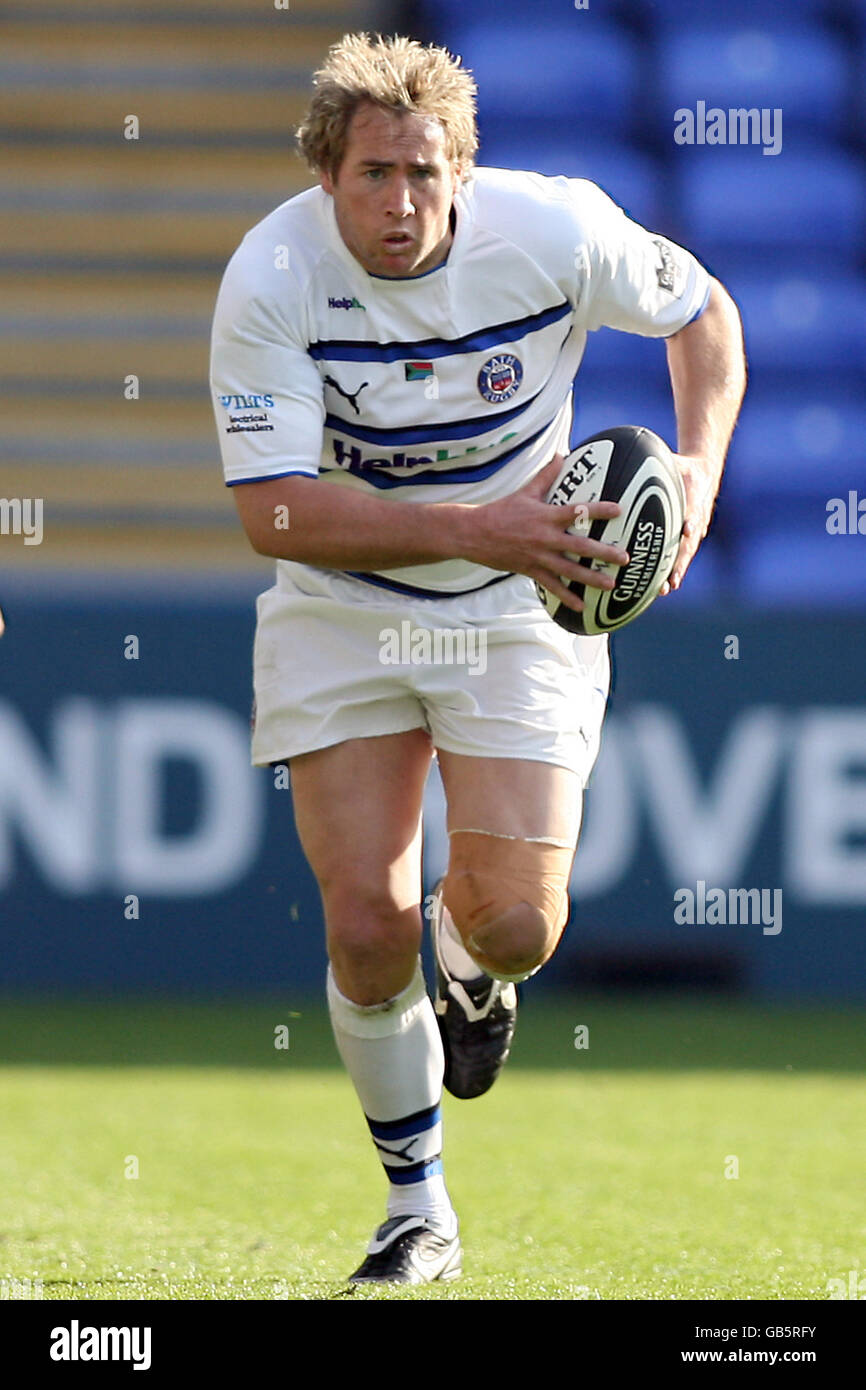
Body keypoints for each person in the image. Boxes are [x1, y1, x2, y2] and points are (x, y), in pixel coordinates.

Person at [209, 31, 746, 1285]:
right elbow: (272, 512)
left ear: (461, 170)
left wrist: (697, 471)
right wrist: (478, 527)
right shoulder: (270, 275)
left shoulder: (555, 230)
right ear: (325, 176)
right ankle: (417, 1211)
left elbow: (704, 312)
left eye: (423, 172)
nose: (400, 202)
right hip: (342, 602)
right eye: (372, 175)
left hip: (518, 598)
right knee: (363, 925)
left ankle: (469, 969)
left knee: (514, 926)